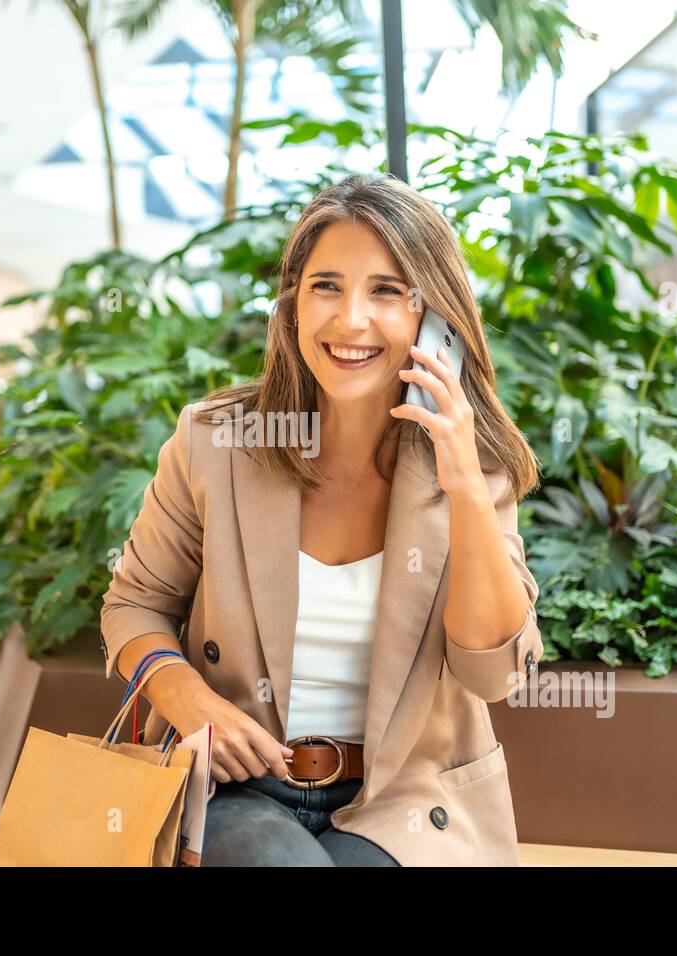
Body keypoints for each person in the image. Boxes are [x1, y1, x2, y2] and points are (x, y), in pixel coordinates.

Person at [99, 173, 544, 867]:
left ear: (438, 321)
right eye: (327, 286)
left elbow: (491, 675)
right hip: (235, 787)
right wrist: (189, 698)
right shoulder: (216, 444)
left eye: (387, 291)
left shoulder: (474, 471)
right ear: (293, 306)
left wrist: (461, 483)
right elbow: (134, 605)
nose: (350, 320)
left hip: (406, 798)